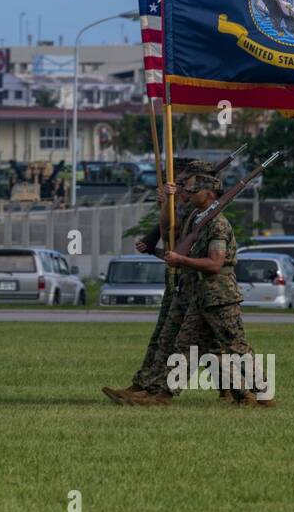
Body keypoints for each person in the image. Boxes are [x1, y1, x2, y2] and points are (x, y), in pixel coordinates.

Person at [103, 161, 221, 406]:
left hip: (203, 288)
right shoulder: (191, 209)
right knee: (177, 338)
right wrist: (166, 203)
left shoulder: (203, 214)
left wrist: (170, 201)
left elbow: (172, 228)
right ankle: (148, 385)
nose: (182, 188)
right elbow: (169, 233)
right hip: (184, 283)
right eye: (180, 184)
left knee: (210, 343)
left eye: (185, 184)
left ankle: (157, 390)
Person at [164, 172, 269, 407]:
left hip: (220, 296)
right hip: (201, 296)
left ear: (209, 194)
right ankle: (162, 394)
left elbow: (215, 264)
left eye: (194, 190)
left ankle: (263, 394)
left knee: (236, 347)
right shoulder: (196, 218)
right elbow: (168, 226)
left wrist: (181, 260)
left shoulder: (218, 224)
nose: (188, 193)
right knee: (185, 345)